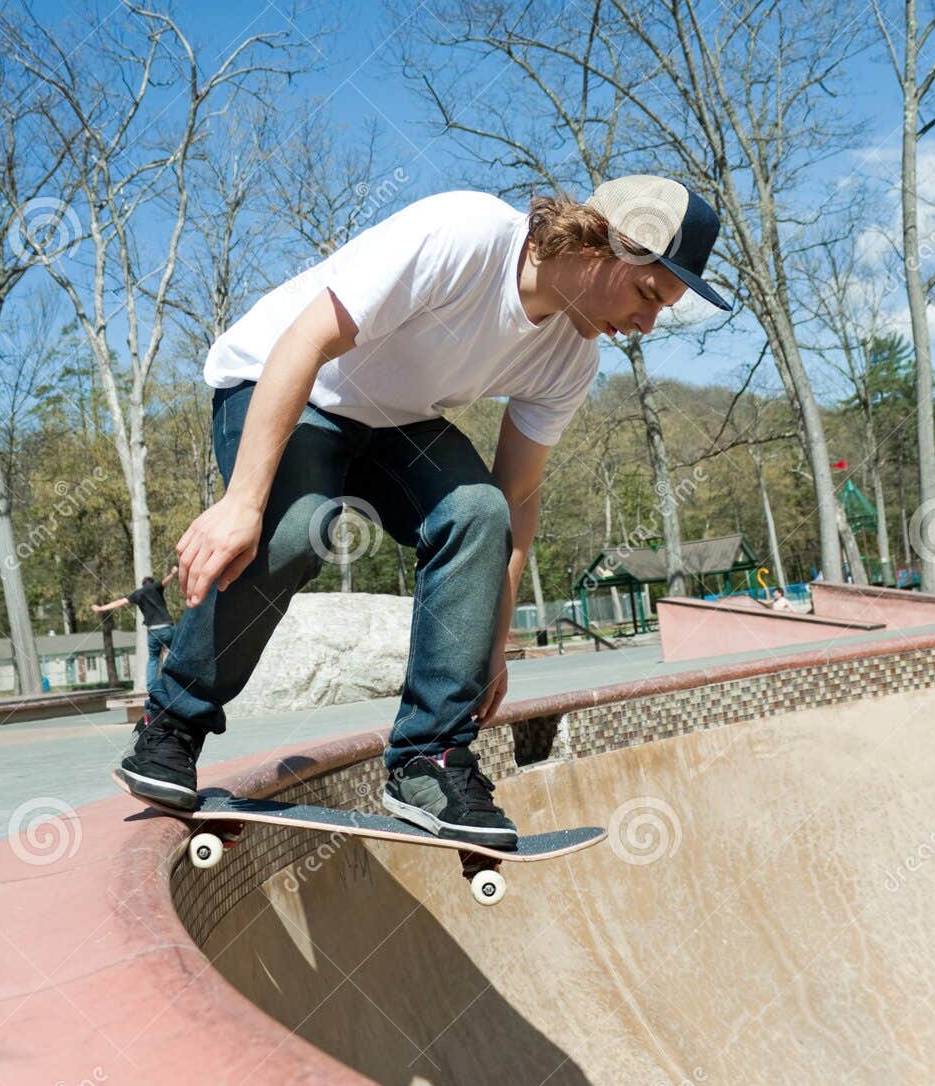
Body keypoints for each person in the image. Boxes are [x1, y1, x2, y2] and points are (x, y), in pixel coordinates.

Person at [116, 177, 730, 848]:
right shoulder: (464, 233)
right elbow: (305, 340)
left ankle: (427, 759)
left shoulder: (569, 359)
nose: (645, 325)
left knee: (475, 510)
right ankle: (171, 722)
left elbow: (516, 497)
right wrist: (242, 502)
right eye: (647, 295)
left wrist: (487, 643)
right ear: (598, 243)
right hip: (284, 380)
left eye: (661, 311)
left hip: (396, 423)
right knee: (293, 532)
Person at [93, 569, 179, 694]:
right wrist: (173, 574)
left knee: (153, 659)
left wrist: (101, 608)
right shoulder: (155, 587)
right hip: (166, 628)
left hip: (152, 632)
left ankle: (152, 688)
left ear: (143, 584)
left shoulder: (137, 594)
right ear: (151, 583)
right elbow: (165, 581)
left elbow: (120, 602)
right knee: (177, 653)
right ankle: (184, 680)